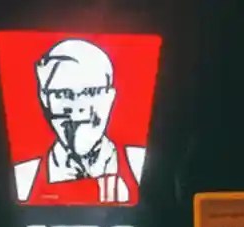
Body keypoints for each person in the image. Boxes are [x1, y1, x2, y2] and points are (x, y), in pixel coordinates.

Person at [13, 38, 146, 206]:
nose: (78, 106)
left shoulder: (140, 164)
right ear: (44, 98)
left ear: (110, 97)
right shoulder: (22, 180)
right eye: (63, 94)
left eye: (91, 92)